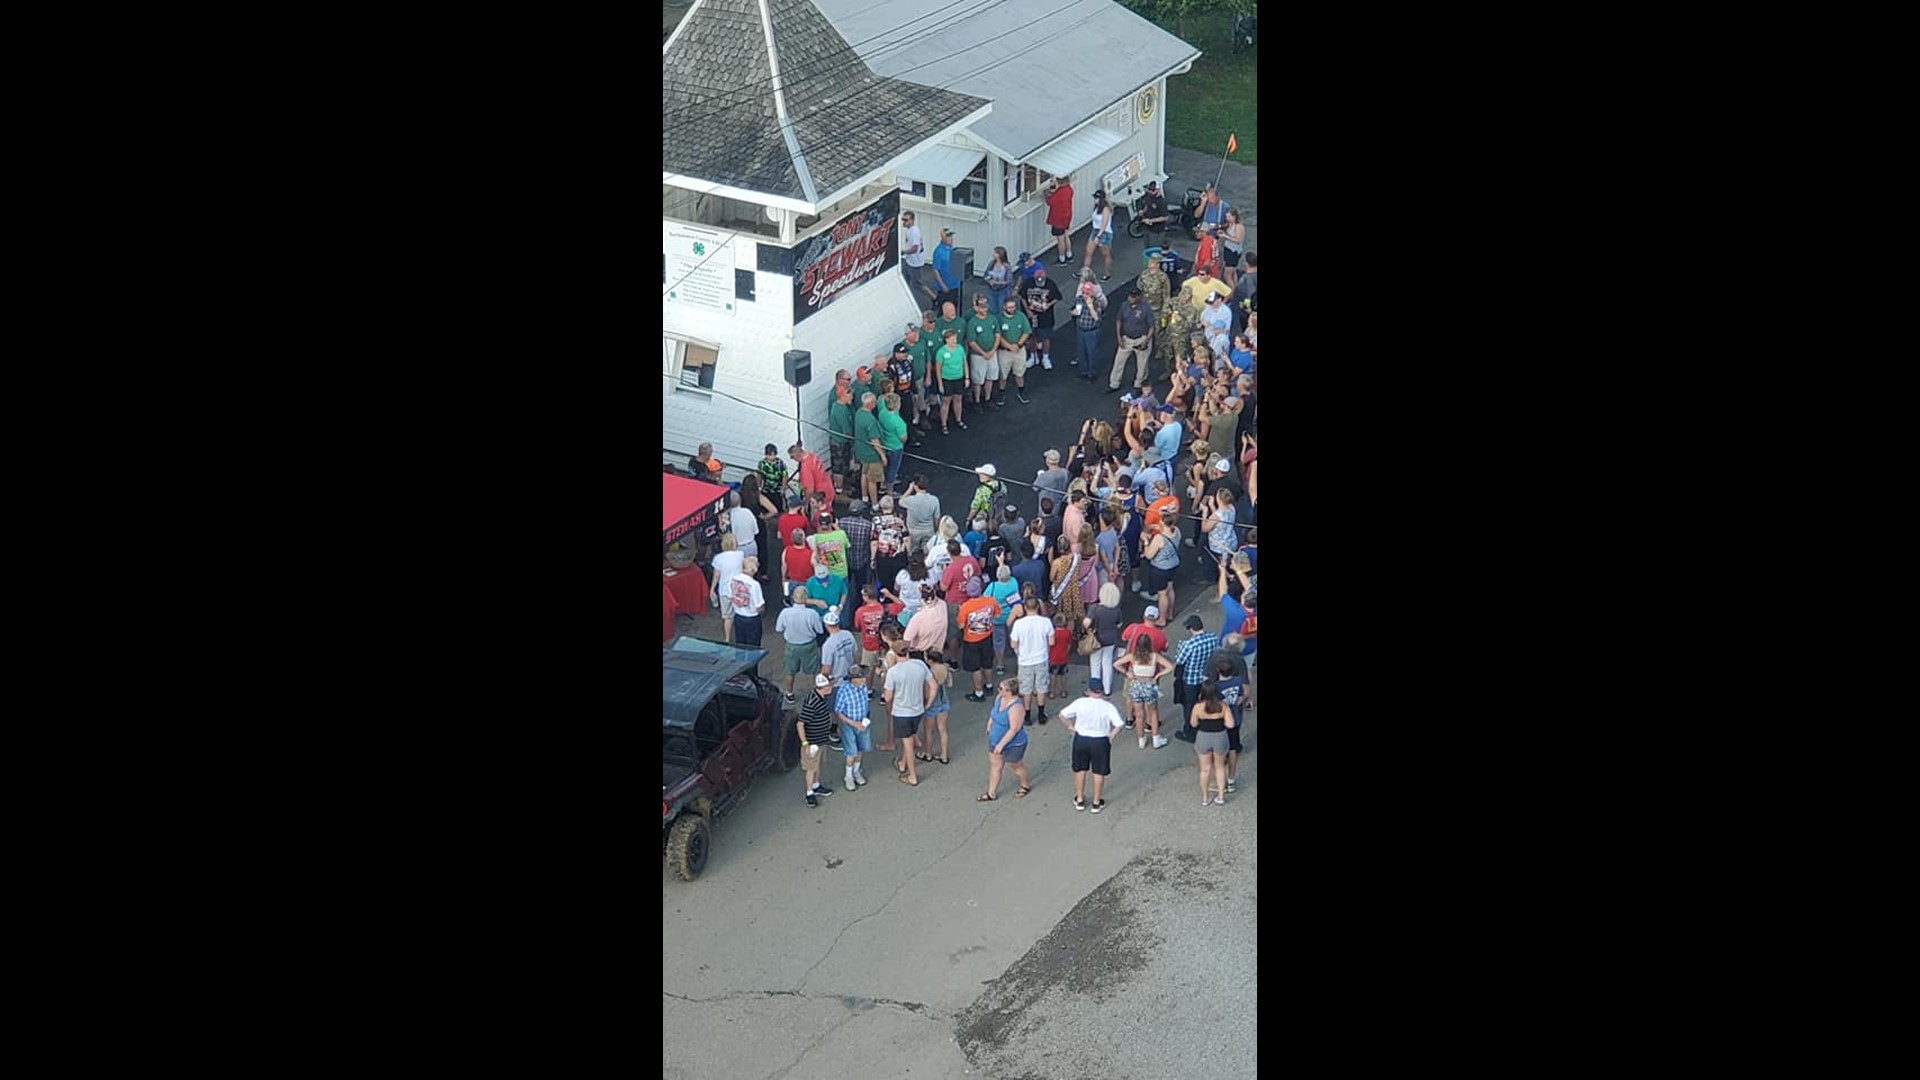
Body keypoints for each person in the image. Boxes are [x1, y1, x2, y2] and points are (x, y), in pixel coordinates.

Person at [1061, 677, 1127, 812]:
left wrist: (1070, 726)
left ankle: (1079, 798)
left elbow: (1062, 715)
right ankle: (1096, 802)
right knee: (1099, 771)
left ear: (1088, 691)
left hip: (1081, 739)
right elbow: (1119, 724)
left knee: (1080, 769)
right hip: (1100, 741)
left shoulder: (1080, 703)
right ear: (1101, 691)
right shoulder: (1108, 706)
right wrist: (1111, 735)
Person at [883, 641, 937, 786]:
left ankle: (912, 775)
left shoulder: (893, 672)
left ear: (894, 653)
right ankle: (902, 763)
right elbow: (933, 685)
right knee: (911, 736)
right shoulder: (920, 665)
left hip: (901, 712)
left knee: (907, 744)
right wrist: (929, 702)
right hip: (918, 709)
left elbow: (887, 697)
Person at [977, 677, 1034, 802]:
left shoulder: (1016, 707)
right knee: (995, 765)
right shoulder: (999, 698)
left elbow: (1014, 729)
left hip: (1013, 744)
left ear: (1009, 691)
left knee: (1016, 765)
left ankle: (1025, 784)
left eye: (1001, 688)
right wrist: (989, 726)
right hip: (994, 740)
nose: (999, 690)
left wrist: (1001, 745)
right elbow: (993, 714)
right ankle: (991, 792)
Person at [1123, 631, 1175, 749]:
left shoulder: (1133, 656)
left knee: (1139, 714)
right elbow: (1170, 666)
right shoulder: (1154, 656)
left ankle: (1141, 740)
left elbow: (1116, 663)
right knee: (1153, 712)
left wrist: (1127, 673)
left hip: (1136, 685)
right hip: (1149, 685)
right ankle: (1156, 738)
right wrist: (1157, 675)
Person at [1008, 596, 1055, 725]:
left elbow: (1013, 644)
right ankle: (1041, 713)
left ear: (1025, 607)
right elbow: (1051, 642)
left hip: (1025, 660)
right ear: (1038, 606)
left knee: (1026, 688)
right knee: (1041, 686)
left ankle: (1027, 715)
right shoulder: (1046, 622)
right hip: (1041, 658)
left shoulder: (1019, 624)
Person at [1172, 614, 1220, 739]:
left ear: (1190, 628)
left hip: (1191, 680)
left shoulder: (1189, 644)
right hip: (1207, 677)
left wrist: (1180, 647)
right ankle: (1204, 722)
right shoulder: (1213, 638)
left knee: (1190, 705)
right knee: (1205, 701)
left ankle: (1190, 730)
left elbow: (1179, 660)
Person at [1188, 681, 1232, 806]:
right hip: (1220, 736)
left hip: (1203, 737)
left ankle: (1205, 798)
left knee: (1204, 769)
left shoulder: (1198, 707)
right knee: (1220, 767)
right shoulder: (1223, 706)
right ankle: (1221, 797)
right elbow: (1230, 724)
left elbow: (1193, 724)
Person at [774, 595, 825, 704]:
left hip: (792, 646)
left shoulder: (785, 612)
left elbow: (779, 628)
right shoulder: (812, 613)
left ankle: (789, 693)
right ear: (805, 598)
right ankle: (817, 694)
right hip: (809, 645)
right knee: (815, 671)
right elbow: (820, 630)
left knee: (790, 671)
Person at [797, 674, 838, 806]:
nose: (831, 686)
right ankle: (810, 793)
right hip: (813, 742)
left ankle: (816, 785)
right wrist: (805, 744)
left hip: (821, 740)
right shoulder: (812, 702)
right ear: (823, 687)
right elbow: (800, 723)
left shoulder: (821, 697)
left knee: (817, 765)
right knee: (810, 768)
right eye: (830, 684)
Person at [957, 582, 1001, 702]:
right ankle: (989, 685)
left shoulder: (965, 607)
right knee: (987, 663)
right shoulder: (991, 601)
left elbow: (961, 626)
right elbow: (997, 615)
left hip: (971, 640)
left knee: (975, 667)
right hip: (987, 636)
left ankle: (979, 692)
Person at [1211, 655, 1249, 794]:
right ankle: (1232, 780)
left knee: (1219, 752)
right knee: (1233, 750)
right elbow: (1242, 695)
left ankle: (1220, 781)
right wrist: (1241, 699)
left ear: (1217, 670)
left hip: (1221, 722)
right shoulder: (1238, 680)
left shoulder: (1215, 686)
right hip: (1235, 718)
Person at [834, 666, 875, 790]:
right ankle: (848, 776)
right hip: (849, 725)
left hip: (863, 723)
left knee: (861, 749)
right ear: (854, 679)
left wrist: (864, 721)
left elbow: (865, 703)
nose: (864, 679)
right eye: (861, 677)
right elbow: (838, 712)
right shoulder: (843, 690)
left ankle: (856, 772)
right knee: (851, 752)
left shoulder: (863, 686)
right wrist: (853, 723)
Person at [1109, 286, 1153, 393]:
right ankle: (1114, 384)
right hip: (1127, 338)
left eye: (1134, 297)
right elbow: (1119, 320)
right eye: (1130, 296)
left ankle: (1139, 385)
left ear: (1139, 297)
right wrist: (1119, 336)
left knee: (1142, 364)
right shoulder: (1124, 306)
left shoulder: (1145, 308)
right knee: (1119, 361)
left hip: (1141, 338)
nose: (1131, 298)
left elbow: (1151, 327)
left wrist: (1146, 340)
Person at [1021, 264, 1062, 372]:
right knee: (1031, 336)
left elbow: (1058, 297)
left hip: (1045, 317)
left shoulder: (1050, 284)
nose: (1039, 276)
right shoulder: (1028, 283)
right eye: (1037, 274)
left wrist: (1049, 305)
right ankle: (1033, 356)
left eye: (1041, 274)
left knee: (1045, 337)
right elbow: (1023, 297)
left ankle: (1045, 357)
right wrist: (1028, 311)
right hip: (1031, 316)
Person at [916, 648, 953, 766]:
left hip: (933, 702)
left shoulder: (929, 672)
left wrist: (925, 703)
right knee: (942, 729)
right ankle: (944, 755)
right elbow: (950, 684)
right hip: (944, 700)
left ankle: (928, 753)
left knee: (928, 731)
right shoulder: (945, 668)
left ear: (931, 660)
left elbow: (928, 690)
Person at [1142, 517, 1181, 628]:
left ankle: (1162, 619)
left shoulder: (1160, 538)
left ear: (1163, 523)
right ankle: (1170, 613)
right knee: (1170, 588)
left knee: (1162, 593)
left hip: (1160, 568)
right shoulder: (1177, 530)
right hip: (1173, 564)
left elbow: (1149, 555)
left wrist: (1146, 542)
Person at [964, 293, 1001, 412]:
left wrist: (993, 350)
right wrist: (983, 353)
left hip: (992, 353)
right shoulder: (972, 322)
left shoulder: (992, 318)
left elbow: (997, 335)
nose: (984, 308)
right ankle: (977, 401)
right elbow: (972, 342)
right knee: (978, 380)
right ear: (977, 307)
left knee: (990, 377)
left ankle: (988, 399)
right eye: (981, 306)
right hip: (978, 356)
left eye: (985, 306)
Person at [994, 295, 1033, 405]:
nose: (1012, 309)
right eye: (1009, 307)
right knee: (1003, 375)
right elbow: (998, 335)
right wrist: (1009, 346)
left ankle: (1021, 392)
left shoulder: (1020, 316)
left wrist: (1018, 344)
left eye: (1013, 307)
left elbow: (1026, 331)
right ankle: (1001, 394)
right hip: (1004, 351)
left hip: (1019, 350)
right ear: (1004, 307)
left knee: (1020, 373)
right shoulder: (999, 318)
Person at [984, 559, 1021, 675]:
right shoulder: (1014, 582)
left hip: (997, 618)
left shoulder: (993, 586)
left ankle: (1000, 664)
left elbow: (985, 599)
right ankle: (1020, 662)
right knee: (1015, 639)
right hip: (1012, 616)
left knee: (998, 641)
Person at [1070, 268, 1108, 380]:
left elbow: (1097, 318)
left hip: (1092, 331)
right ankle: (1083, 371)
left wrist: (1090, 305)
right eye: (1084, 292)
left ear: (1091, 292)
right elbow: (1072, 310)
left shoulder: (1096, 302)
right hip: (1080, 328)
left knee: (1092, 352)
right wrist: (1073, 312)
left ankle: (1092, 373)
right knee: (1081, 351)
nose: (1085, 294)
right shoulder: (1079, 299)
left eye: (1087, 292)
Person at [1200, 485, 1239, 576]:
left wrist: (1204, 514)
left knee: (1218, 563)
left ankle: (1219, 577)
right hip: (1231, 540)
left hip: (1219, 545)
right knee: (1228, 561)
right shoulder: (1231, 508)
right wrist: (1212, 506)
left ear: (1219, 499)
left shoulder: (1216, 516)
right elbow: (1219, 517)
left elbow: (1204, 528)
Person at [839, 499, 873, 602]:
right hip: (861, 560)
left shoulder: (842, 522)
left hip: (846, 560)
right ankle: (859, 602)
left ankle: (845, 601)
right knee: (860, 584)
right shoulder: (867, 525)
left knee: (845, 584)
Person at [935, 327, 968, 433]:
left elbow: (964, 363)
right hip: (947, 380)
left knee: (958, 399)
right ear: (946, 339)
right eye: (952, 339)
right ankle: (944, 424)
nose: (955, 341)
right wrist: (940, 384)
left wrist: (966, 377)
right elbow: (938, 369)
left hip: (959, 378)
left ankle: (959, 420)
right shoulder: (941, 352)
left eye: (955, 338)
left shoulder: (960, 348)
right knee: (946, 401)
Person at [727, 557, 765, 647]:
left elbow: (730, 596)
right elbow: (759, 606)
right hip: (752, 618)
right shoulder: (754, 585)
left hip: (738, 616)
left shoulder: (734, 579)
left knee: (740, 645)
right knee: (753, 646)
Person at [788, 443, 835, 515]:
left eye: (792, 457)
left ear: (797, 454)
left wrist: (807, 503)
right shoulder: (812, 456)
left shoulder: (806, 467)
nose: (793, 459)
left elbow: (810, 489)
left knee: (818, 519)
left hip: (819, 497)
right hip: (828, 490)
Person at [898, 475, 941, 551]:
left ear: (915, 486)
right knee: (928, 550)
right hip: (928, 530)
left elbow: (900, 501)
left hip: (913, 531)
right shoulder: (934, 500)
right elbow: (937, 517)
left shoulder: (911, 500)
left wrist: (909, 489)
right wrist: (936, 529)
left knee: (912, 550)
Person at [877, 393, 909, 495]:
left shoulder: (882, 413)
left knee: (886, 466)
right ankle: (889, 490)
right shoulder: (898, 422)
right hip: (895, 447)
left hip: (885, 444)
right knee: (893, 469)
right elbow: (903, 438)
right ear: (897, 405)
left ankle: (883, 485)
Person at [900, 210, 933, 306]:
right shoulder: (911, 231)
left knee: (917, 284)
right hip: (909, 260)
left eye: (906, 220)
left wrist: (903, 252)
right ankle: (905, 298)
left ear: (912, 220)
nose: (904, 222)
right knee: (904, 278)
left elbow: (915, 248)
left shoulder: (914, 232)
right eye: (903, 219)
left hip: (915, 263)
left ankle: (934, 298)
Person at [1082, 189, 1115, 280]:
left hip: (1104, 233)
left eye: (1096, 198)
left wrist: (1098, 236)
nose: (1094, 200)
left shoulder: (1106, 209)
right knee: (1088, 252)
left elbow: (1104, 224)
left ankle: (1107, 273)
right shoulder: (1096, 208)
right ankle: (1085, 272)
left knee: (1105, 254)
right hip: (1095, 230)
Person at [820, 606, 857, 684]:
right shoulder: (848, 634)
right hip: (850, 677)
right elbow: (854, 654)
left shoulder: (828, 645)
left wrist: (824, 681)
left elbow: (826, 668)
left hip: (836, 681)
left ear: (826, 625)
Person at [1043, 176, 1075, 264]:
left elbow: (1050, 202)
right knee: (1066, 235)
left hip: (1058, 218)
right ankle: (1069, 255)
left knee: (1060, 239)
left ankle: (1062, 259)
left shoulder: (1060, 192)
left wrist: (1047, 194)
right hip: (1067, 216)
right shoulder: (1069, 189)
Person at [931, 227, 962, 312]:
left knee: (954, 306)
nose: (950, 238)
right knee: (944, 308)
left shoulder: (952, 248)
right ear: (942, 238)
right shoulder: (938, 251)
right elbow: (935, 270)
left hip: (954, 284)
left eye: (951, 236)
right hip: (945, 286)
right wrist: (942, 285)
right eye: (948, 236)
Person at [1034, 448, 1070, 519]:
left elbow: (1035, 488)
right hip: (1058, 506)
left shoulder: (1044, 476)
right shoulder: (1065, 473)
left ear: (1048, 461)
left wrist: (1039, 476)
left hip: (1045, 508)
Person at [755, 443, 789, 513]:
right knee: (766, 508)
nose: (772, 457)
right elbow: (759, 475)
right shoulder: (762, 463)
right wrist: (759, 487)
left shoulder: (780, 463)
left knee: (778, 508)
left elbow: (785, 476)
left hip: (778, 490)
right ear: (766, 454)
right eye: (770, 455)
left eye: (774, 455)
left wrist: (783, 488)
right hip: (766, 489)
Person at [983, 246, 1015, 321]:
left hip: (1002, 291)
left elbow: (1009, 281)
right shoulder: (991, 263)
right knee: (992, 309)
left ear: (999, 254)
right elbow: (986, 275)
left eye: (995, 253)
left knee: (1001, 309)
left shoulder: (1007, 266)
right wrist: (989, 281)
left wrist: (996, 282)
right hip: (991, 290)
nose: (993, 254)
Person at [1219, 210, 1247, 290]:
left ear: (1234, 216)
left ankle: (1231, 292)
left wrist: (1225, 236)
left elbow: (1238, 240)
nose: (1227, 219)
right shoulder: (1230, 224)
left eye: (1229, 217)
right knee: (1233, 272)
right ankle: (1235, 289)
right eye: (1226, 217)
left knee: (1227, 275)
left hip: (1233, 251)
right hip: (1228, 249)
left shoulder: (1238, 226)